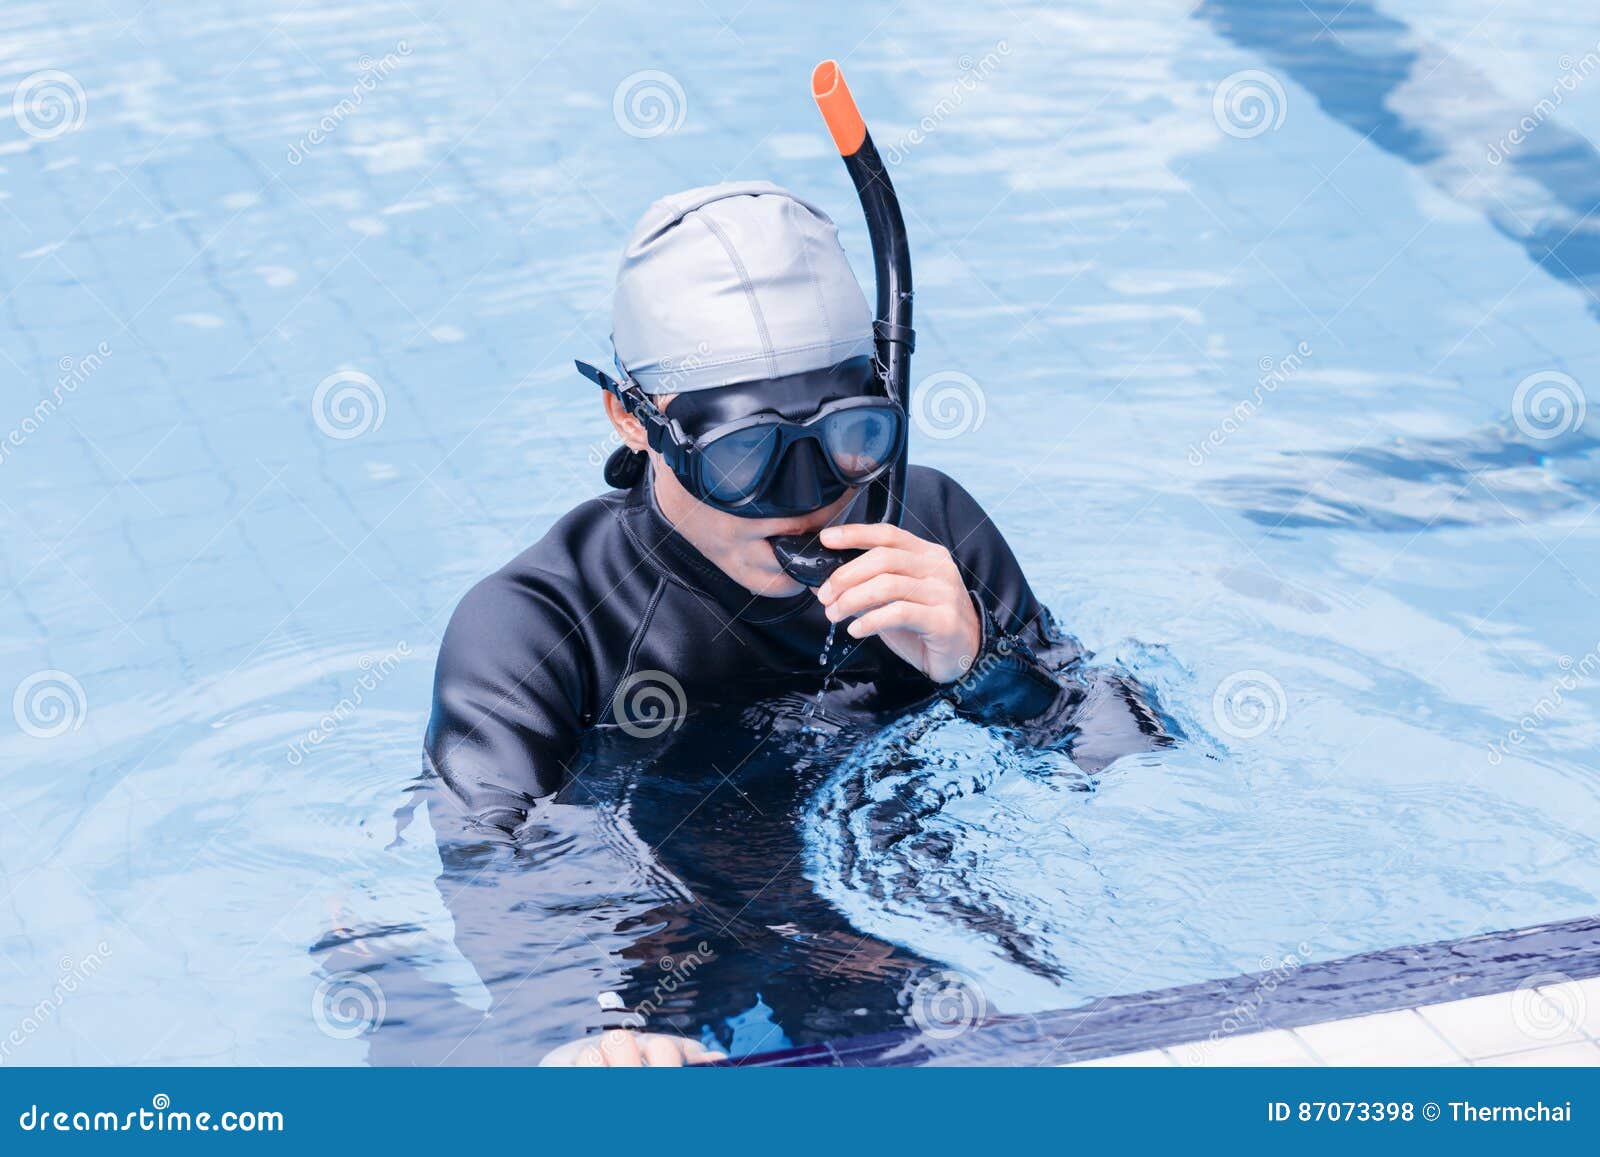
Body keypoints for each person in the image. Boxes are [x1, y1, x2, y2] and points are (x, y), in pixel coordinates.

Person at [424, 181, 1167, 1066]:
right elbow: (490, 856)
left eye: (848, 437)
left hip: (877, 908)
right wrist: (576, 1027)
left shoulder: (929, 526)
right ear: (634, 416)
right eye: (745, 457)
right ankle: (371, 961)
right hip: (651, 930)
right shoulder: (539, 621)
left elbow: (1134, 759)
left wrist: (990, 669)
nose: (809, 498)